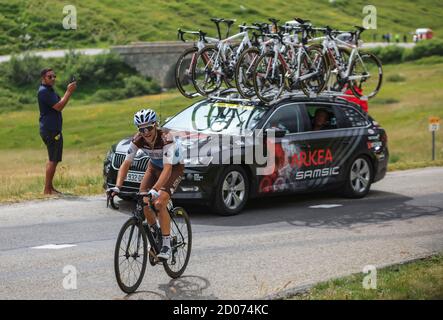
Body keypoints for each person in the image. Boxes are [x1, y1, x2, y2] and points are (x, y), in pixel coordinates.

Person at [108, 109, 184, 260]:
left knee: (159, 203)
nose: (145, 132)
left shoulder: (166, 138)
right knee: (143, 201)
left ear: (155, 125)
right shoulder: (138, 139)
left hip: (173, 169)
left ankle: (167, 245)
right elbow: (126, 163)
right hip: (154, 167)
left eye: (148, 128)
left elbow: (168, 169)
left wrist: (155, 190)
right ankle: (156, 233)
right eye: (141, 129)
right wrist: (117, 186)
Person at [38, 68, 76, 195]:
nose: (53, 78)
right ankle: (47, 190)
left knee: (54, 159)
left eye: (54, 76)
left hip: (53, 129)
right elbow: (59, 106)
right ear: (43, 78)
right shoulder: (44, 92)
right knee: (53, 159)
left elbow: (59, 104)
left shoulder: (49, 90)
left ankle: (50, 188)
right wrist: (69, 92)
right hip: (50, 130)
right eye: (50, 77)